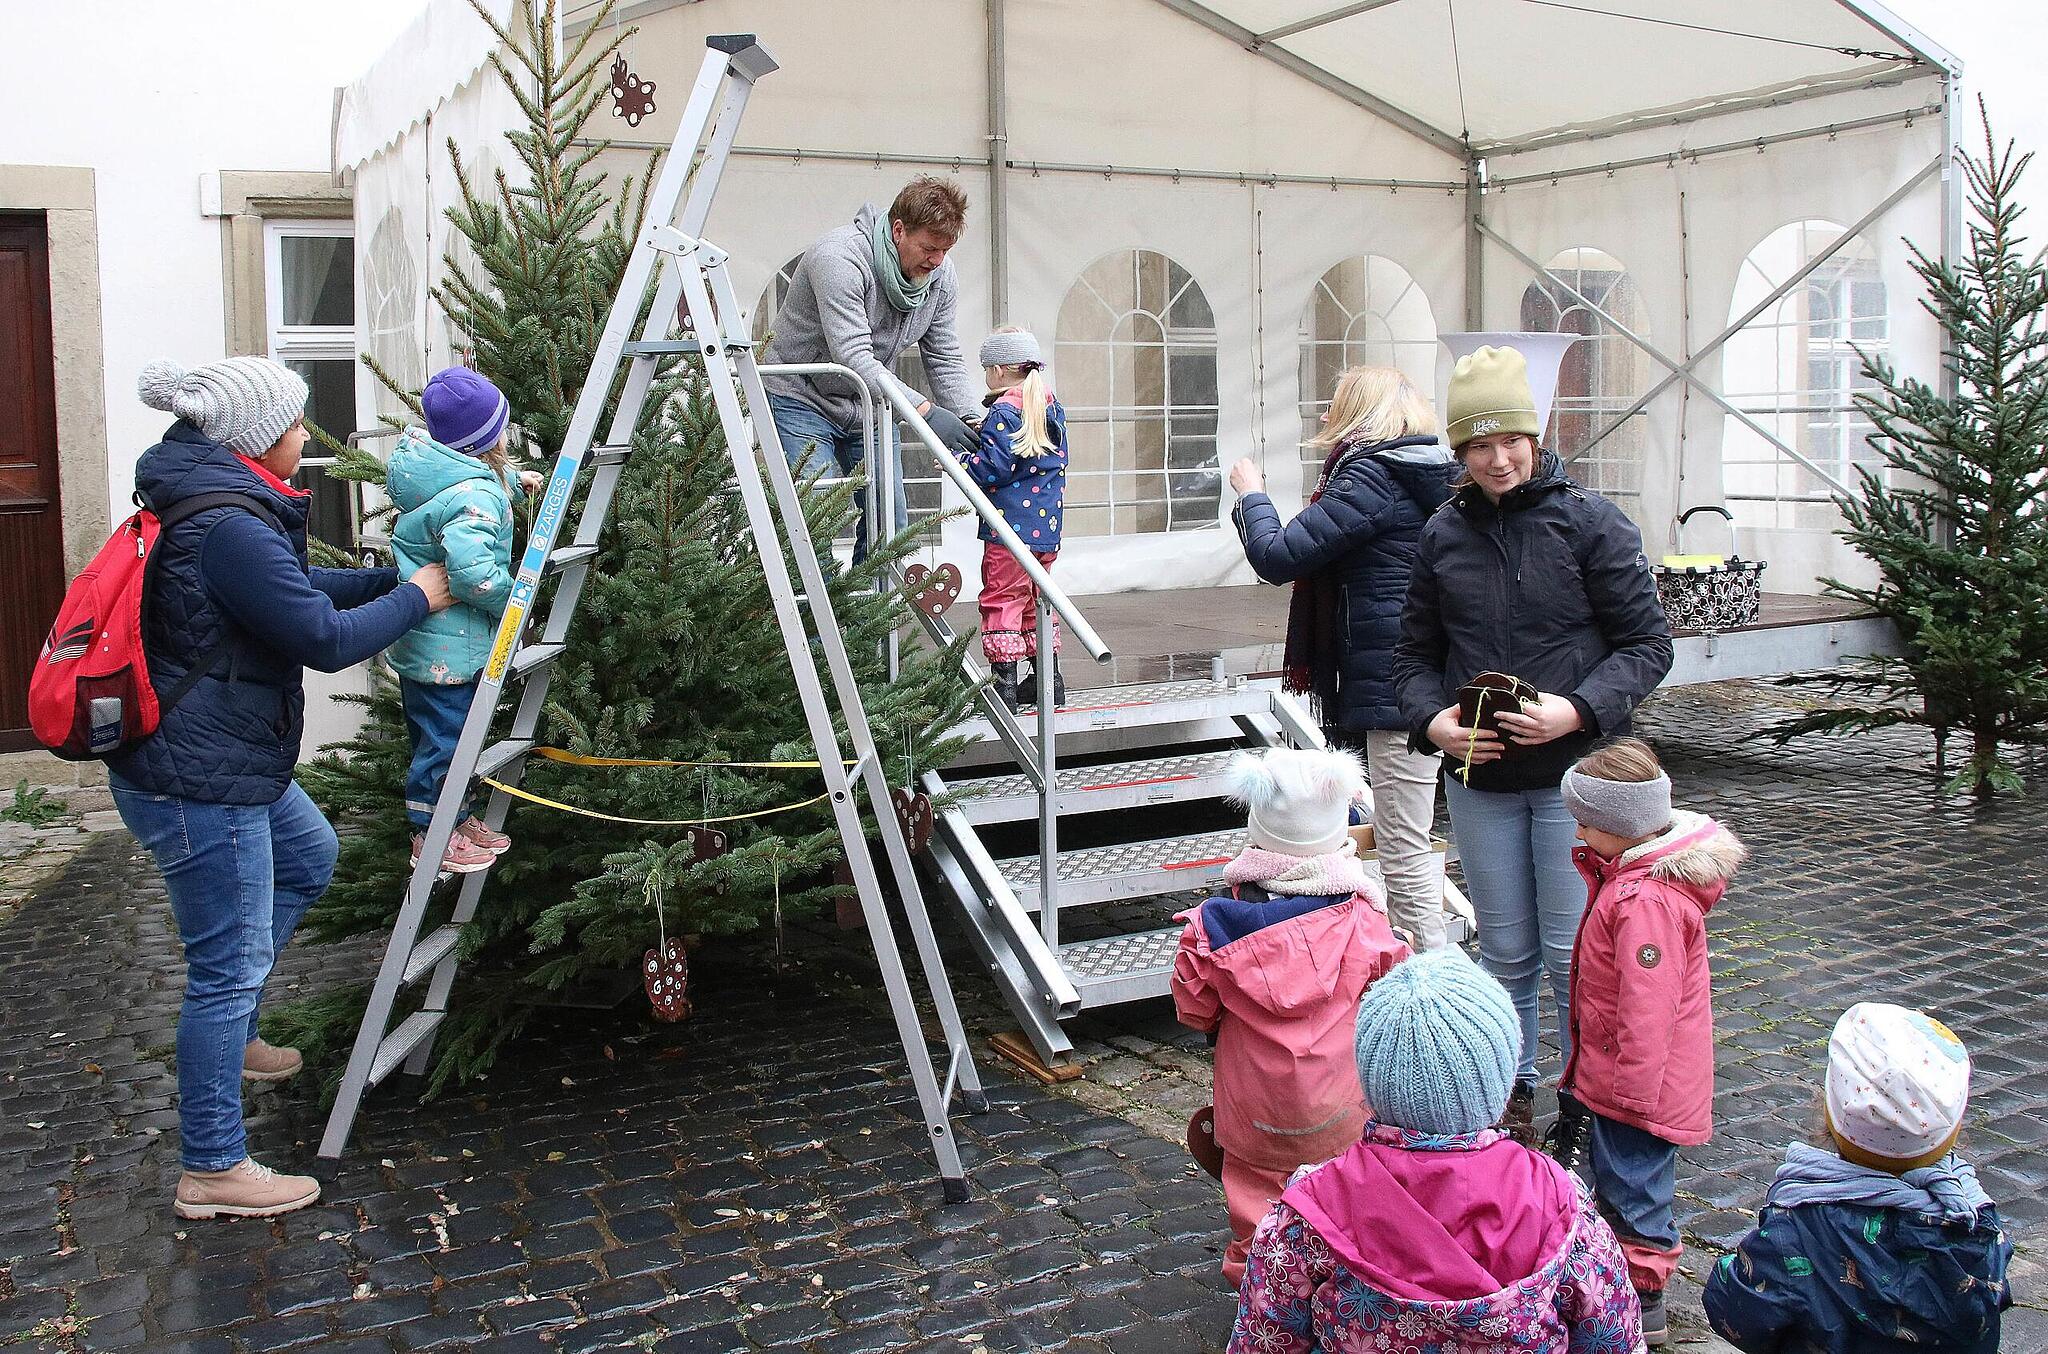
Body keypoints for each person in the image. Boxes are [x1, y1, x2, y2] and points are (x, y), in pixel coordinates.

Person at [113, 357, 455, 1218]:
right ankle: (212, 1167)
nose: (306, 435)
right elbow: (323, 639)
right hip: (200, 777)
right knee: (224, 969)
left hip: (224, 757)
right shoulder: (226, 522)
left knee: (308, 854)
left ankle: (231, 1035)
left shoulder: (222, 500)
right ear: (259, 437)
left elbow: (292, 592)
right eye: (298, 422)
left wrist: (391, 581)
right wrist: (421, 597)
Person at [1392, 343, 1672, 1141]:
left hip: (1573, 783)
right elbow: (1412, 658)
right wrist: (1433, 722)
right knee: (1505, 950)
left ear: (1535, 436)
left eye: (1510, 440)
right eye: (1478, 444)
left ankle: (1584, 1100)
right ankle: (1505, 1092)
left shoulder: (1590, 524)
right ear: (1459, 451)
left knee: (1573, 952)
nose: (1497, 459)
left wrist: (1576, 711)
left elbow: (1648, 645)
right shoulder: (1442, 535)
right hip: (1480, 780)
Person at [1227, 948, 1642, 1352]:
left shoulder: (1309, 1212)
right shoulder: (1559, 1202)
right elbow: (1613, 1336)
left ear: (1371, 1078)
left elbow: (1262, 1340)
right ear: (1501, 1079)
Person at [1228, 365, 1456, 949]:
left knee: (1404, 849)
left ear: (1359, 413)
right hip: (1423, 676)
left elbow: (1279, 555)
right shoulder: (1431, 472)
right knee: (1408, 837)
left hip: (1395, 687)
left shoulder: (1371, 478)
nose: (1326, 415)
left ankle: (1428, 982)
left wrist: (1251, 495)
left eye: (1336, 403)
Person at [1172, 747, 1410, 1287]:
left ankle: (1263, 1293)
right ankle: (1344, 1287)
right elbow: (1395, 996)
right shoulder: (1362, 918)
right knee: (1344, 1195)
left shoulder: (1211, 925)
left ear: (1258, 832)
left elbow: (1193, 1009)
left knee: (1256, 1207)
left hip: (1252, 1106)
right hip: (1341, 1104)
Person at [1557, 737, 1745, 1346]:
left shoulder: (1644, 901)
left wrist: (1631, 1094)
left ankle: (1644, 1301)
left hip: (1637, 1087)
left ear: (1621, 824)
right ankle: (1618, 1280)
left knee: (1636, 1191)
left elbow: (1648, 1007)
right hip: (1620, 1077)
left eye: (1586, 822)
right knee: (1620, 1182)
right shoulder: (1628, 878)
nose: (1578, 832)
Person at [1704, 1003, 2011, 1353]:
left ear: (1831, 1114)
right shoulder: (1975, 1220)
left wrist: (1730, 1268)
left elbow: (1735, 1310)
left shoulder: (1797, 1226)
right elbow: (1991, 1301)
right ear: (1951, 1131)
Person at [762, 176, 984, 560]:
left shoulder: (940, 277)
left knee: (890, 520)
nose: (937, 261)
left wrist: (969, 418)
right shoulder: (839, 259)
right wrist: (925, 411)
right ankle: (818, 600)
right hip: (800, 397)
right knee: (813, 517)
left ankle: (875, 601)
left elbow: (944, 355)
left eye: (945, 250)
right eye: (929, 248)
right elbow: (852, 355)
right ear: (899, 230)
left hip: (870, 403)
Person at [386, 367, 543, 873]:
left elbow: (473, 486)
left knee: (454, 740)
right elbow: (472, 574)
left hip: (434, 644)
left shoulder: (439, 470)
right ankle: (431, 835)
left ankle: (457, 817)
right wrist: (514, 599)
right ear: (486, 438)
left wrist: (515, 484)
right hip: (447, 652)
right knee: (445, 745)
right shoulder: (472, 496)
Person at [955, 326, 1068, 710]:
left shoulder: (1003, 410)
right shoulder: (1049, 404)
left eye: (986, 368)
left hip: (1009, 530)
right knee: (1037, 600)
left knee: (1002, 599)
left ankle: (1003, 687)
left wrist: (959, 461)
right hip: (1045, 530)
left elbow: (994, 468)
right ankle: (1048, 681)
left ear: (1000, 370)